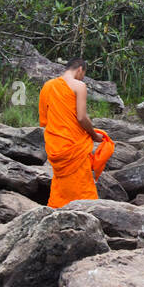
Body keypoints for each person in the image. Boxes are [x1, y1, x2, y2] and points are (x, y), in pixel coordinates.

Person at [37, 59, 110, 208]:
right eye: (83, 75)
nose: (82, 78)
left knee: (61, 183)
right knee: (81, 184)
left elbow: (45, 120)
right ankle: (85, 213)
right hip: (74, 145)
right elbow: (82, 117)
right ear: (80, 70)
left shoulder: (47, 86)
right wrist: (94, 136)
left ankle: (57, 211)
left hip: (56, 145)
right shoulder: (79, 85)